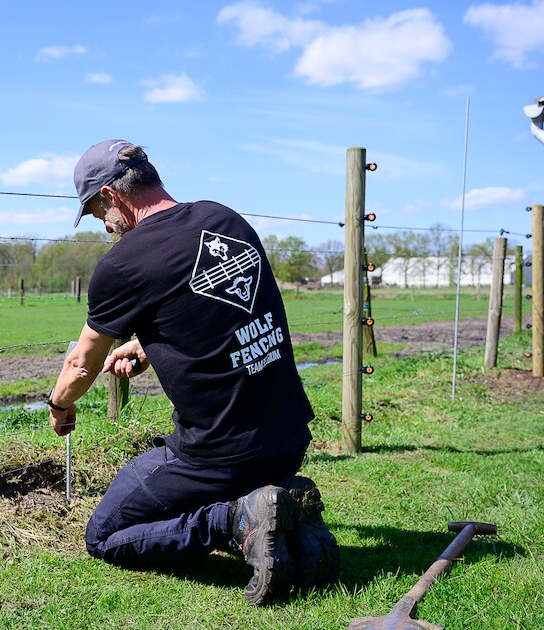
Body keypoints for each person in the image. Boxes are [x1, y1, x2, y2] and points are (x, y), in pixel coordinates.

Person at [47, 139, 338, 605]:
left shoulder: (123, 264)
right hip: (289, 439)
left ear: (110, 195)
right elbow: (225, 309)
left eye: (96, 211)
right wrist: (148, 344)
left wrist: (59, 405)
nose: (104, 226)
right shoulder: (224, 218)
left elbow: (81, 363)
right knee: (198, 486)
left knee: (104, 534)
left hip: (222, 453)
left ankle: (237, 520)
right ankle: (284, 507)